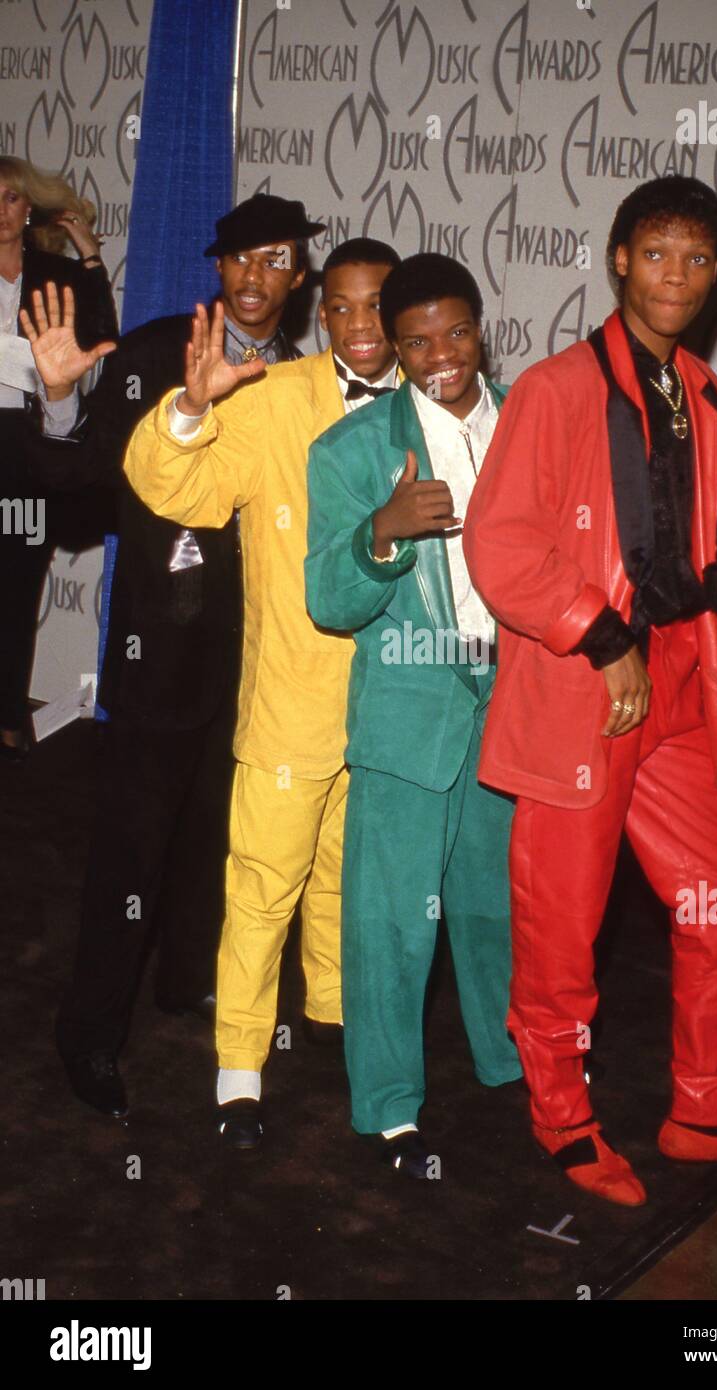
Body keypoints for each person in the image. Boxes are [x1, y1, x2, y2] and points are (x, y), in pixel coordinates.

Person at [463, 176, 717, 1206]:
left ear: (716, 278)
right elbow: (501, 545)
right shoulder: (555, 388)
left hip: (679, 682)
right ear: (617, 258)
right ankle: (561, 1116)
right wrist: (601, 633)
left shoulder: (703, 393)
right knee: (561, 929)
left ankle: (701, 1112)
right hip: (587, 686)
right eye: (656, 252)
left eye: (696, 259)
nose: (676, 274)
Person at [21, 194, 318, 1118]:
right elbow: (76, 492)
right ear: (216, 269)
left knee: (216, 847)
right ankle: (90, 1036)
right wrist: (64, 399)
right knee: (128, 857)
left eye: (276, 260)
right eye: (240, 259)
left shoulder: (307, 382)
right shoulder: (155, 352)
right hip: (160, 655)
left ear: (298, 276)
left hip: (260, 657)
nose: (255, 277)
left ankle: (188, 980)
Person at [123, 237, 402, 1148]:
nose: (359, 327)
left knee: (349, 881)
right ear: (322, 312)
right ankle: (238, 1068)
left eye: (378, 307)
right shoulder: (277, 398)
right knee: (261, 887)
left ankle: (330, 1013)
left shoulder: (434, 409)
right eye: (343, 308)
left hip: (397, 704)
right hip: (291, 693)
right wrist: (190, 410)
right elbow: (178, 489)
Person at [305, 253, 522, 1179]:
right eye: (417, 342)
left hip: (512, 707)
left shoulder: (529, 421)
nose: (443, 357)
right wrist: (382, 532)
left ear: (482, 325)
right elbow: (329, 599)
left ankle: (511, 1066)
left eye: (458, 332)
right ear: (391, 350)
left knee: (499, 910)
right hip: (408, 711)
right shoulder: (350, 451)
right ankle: (389, 1107)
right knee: (391, 922)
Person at [0, 155, 117, 762]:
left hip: (26, 450)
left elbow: (102, 335)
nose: (1, 210)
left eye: (12, 198)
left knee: (18, 588)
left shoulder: (51, 273)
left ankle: (8, 716)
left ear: (29, 207)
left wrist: (88, 252)